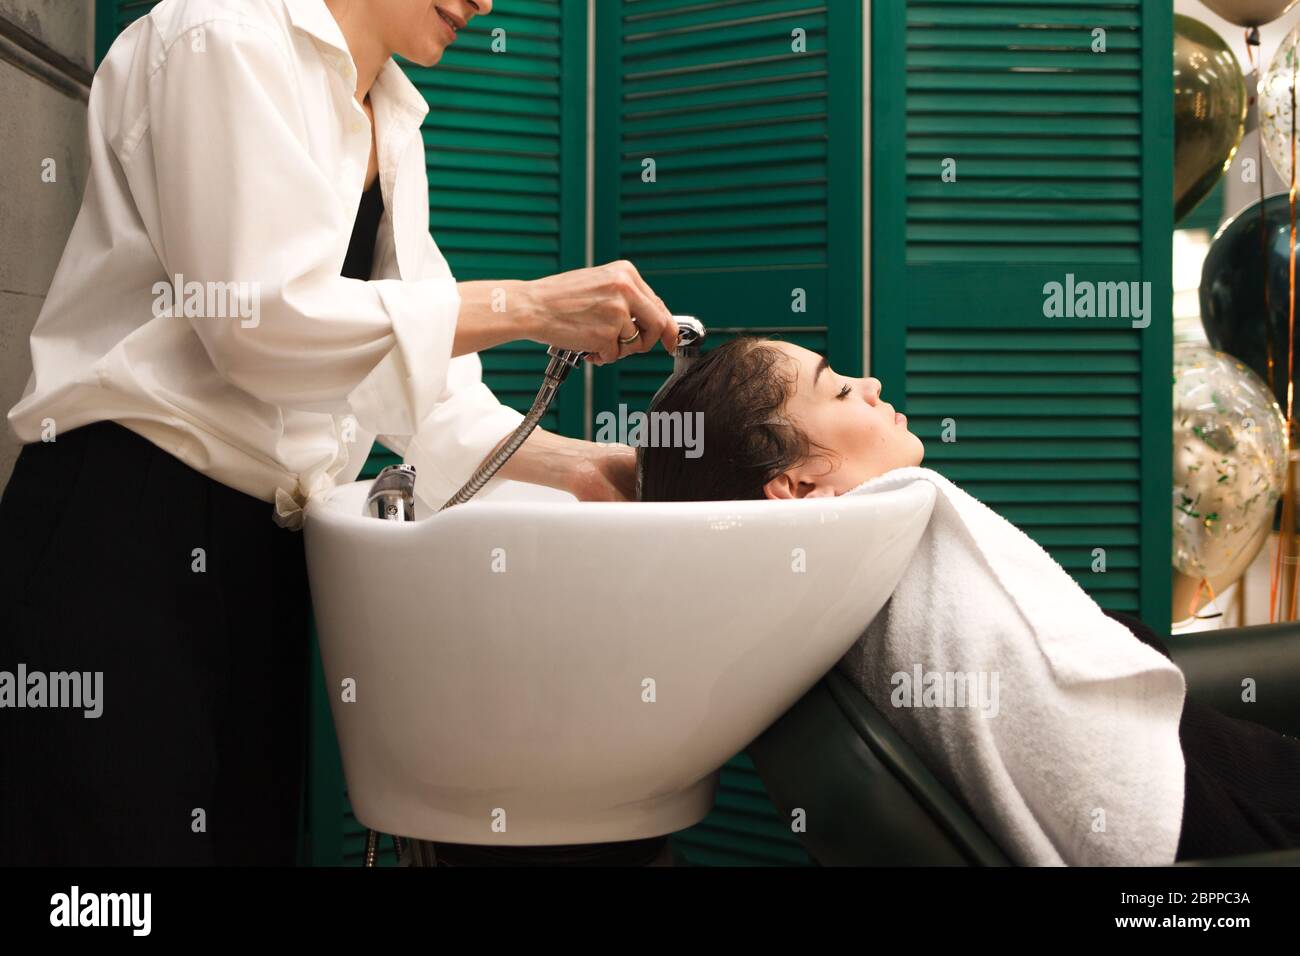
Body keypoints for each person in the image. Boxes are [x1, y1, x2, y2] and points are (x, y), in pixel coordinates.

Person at [0, 0, 675, 865]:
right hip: (123, 533)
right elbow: (260, 322)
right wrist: (533, 306)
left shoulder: (391, 118)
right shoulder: (222, 35)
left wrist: (591, 469)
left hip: (263, 554)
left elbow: (417, 383)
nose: (486, 2)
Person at [640, 336, 1300, 862]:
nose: (869, 385)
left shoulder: (832, 596)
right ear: (801, 487)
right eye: (840, 389)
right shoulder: (891, 537)